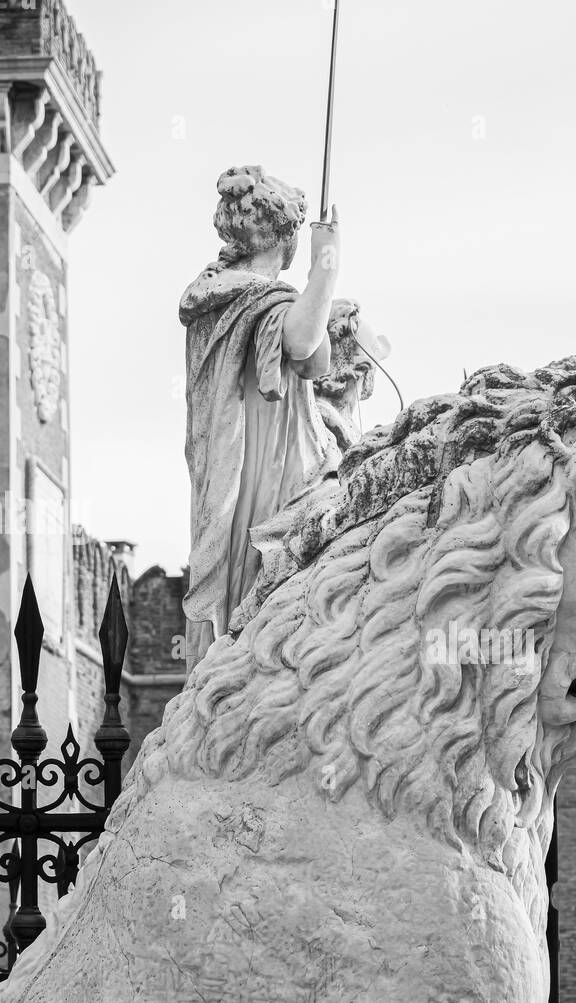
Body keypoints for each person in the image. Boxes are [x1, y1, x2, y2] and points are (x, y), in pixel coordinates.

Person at [179, 165, 340, 670]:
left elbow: (315, 362)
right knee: (270, 576)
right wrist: (327, 268)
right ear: (289, 242)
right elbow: (302, 341)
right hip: (265, 466)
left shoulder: (223, 296)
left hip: (251, 462)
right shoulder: (255, 297)